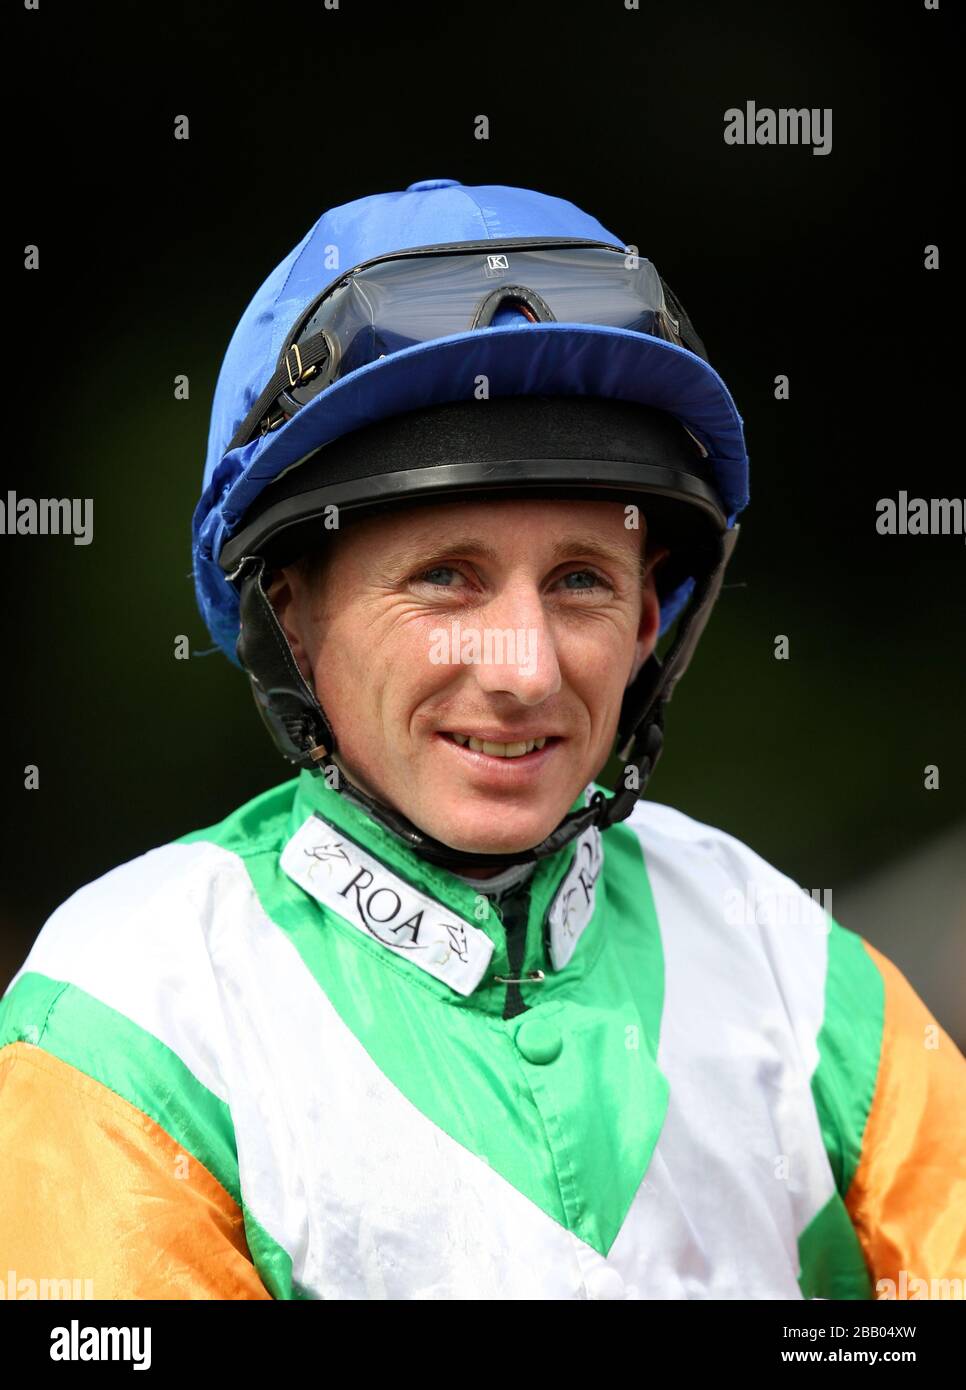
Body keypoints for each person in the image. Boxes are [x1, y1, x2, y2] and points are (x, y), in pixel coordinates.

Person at [1, 179, 963, 1301]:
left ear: (652, 619)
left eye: (580, 581)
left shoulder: (793, 962)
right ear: (293, 613)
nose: (525, 669)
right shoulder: (128, 1011)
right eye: (445, 577)